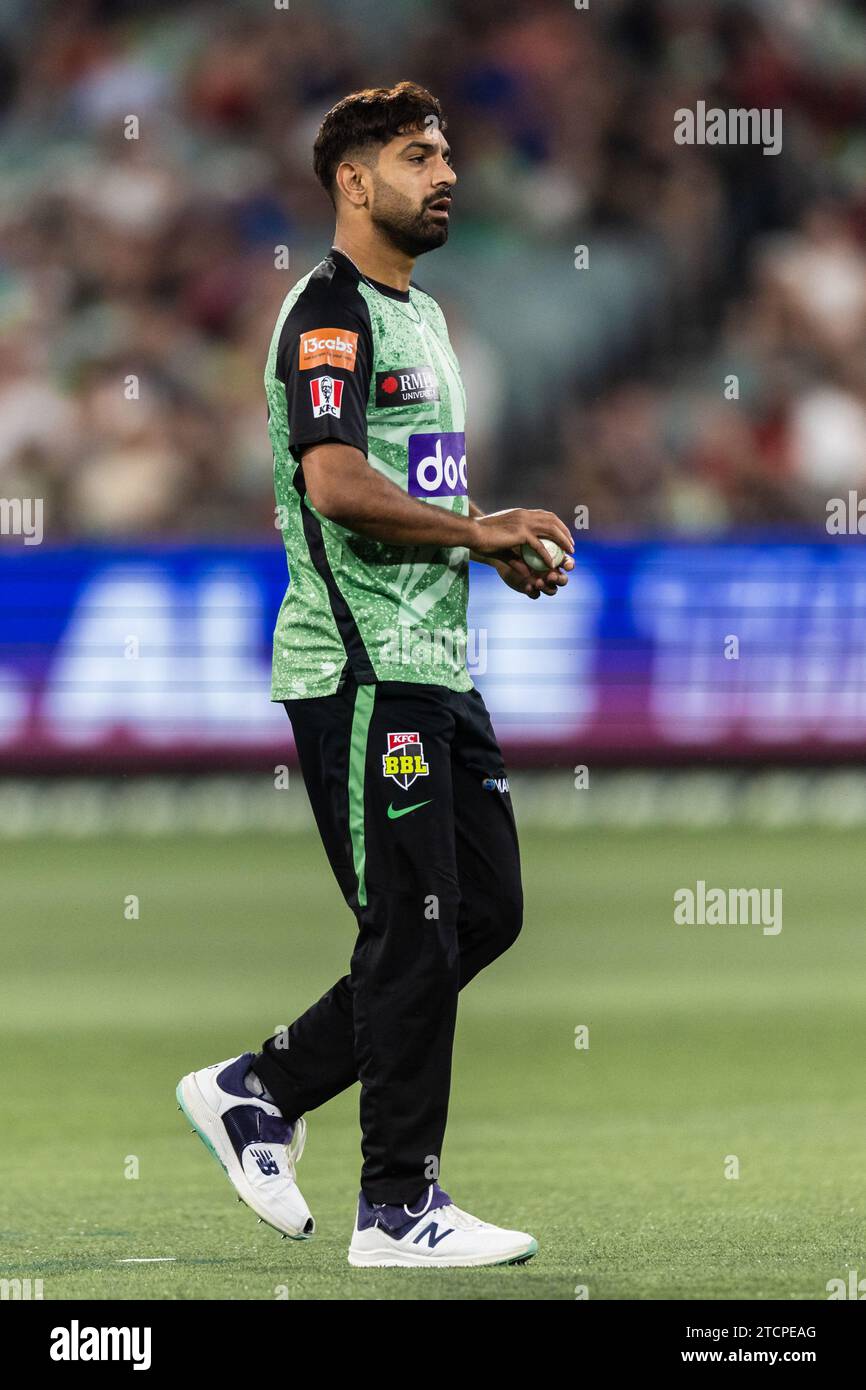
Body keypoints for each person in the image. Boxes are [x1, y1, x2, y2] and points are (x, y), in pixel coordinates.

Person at [177, 81, 574, 1269]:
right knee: (412, 928)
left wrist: (480, 550)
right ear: (354, 183)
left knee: (481, 912)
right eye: (416, 156)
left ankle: (260, 1085)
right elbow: (336, 484)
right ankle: (397, 1206)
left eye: (446, 152)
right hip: (357, 675)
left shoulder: (426, 319)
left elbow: (421, 494)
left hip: (435, 666)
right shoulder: (330, 315)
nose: (445, 173)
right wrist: (481, 529)